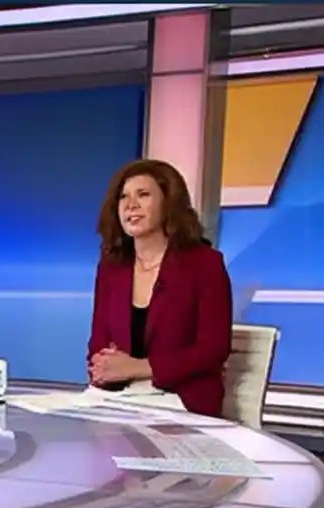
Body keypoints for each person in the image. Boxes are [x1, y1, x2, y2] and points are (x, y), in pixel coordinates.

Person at [87, 159, 233, 417]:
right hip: (119, 396)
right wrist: (102, 367)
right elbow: (98, 343)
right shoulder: (112, 268)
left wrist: (139, 367)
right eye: (123, 197)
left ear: (169, 203)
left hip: (181, 398)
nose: (131, 205)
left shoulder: (205, 264)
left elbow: (213, 350)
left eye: (143, 194)